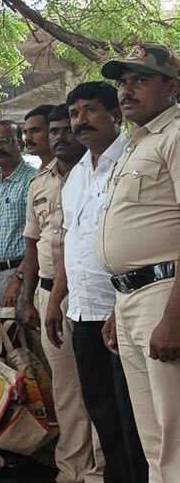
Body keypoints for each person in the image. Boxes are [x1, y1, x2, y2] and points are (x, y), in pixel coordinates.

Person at [48, 81, 147, 483]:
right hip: (83, 311)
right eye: (74, 113)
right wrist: (57, 299)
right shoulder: (75, 178)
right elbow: (73, 241)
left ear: (115, 114)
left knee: (137, 417)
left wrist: (121, 308)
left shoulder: (134, 161)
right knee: (102, 411)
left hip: (126, 310)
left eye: (90, 110)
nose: (80, 120)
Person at [98, 43, 180, 483]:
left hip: (165, 297)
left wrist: (173, 314)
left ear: (172, 86)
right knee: (152, 436)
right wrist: (119, 301)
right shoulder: (135, 143)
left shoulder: (177, 136)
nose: (127, 91)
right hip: (132, 298)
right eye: (123, 82)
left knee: (175, 431)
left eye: (140, 80)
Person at [20, 104, 104, 483]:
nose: (59, 136)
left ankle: (100, 470)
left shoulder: (97, 173)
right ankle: (72, 470)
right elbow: (33, 243)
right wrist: (28, 298)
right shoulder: (39, 182)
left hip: (91, 293)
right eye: (52, 131)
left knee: (99, 387)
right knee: (66, 390)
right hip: (48, 294)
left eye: (63, 128)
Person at [0, 120, 37, 306]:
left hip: (23, 276)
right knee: (3, 335)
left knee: (27, 333)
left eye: (4, 141)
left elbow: (38, 239)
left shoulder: (33, 181)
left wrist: (18, 278)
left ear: (20, 144)